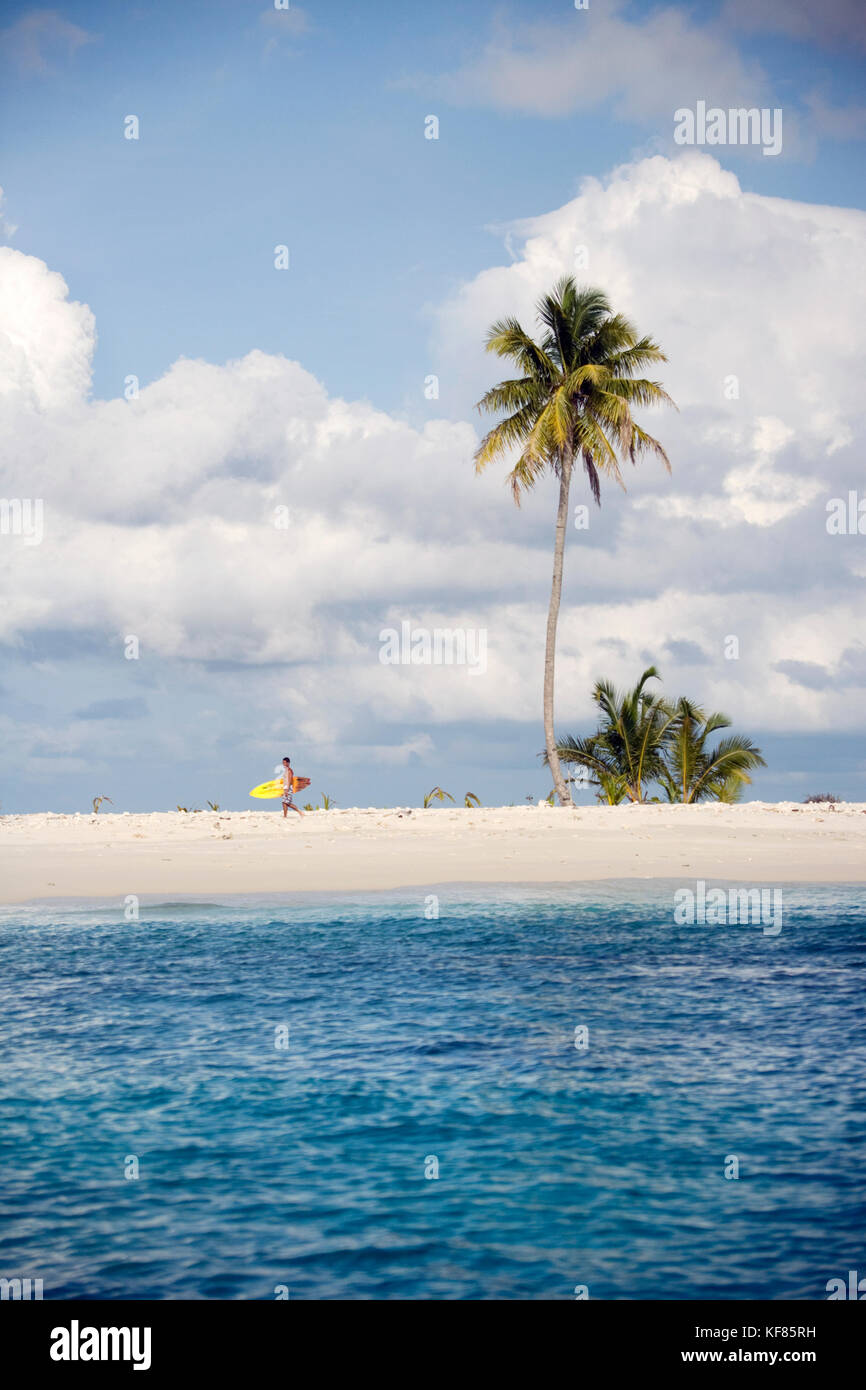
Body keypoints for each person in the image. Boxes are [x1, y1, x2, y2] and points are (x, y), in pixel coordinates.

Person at [278, 755, 304, 820]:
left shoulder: (289, 770)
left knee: (287, 803)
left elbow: (289, 780)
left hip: (288, 788)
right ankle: (285, 816)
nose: (283, 764)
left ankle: (300, 812)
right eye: (283, 762)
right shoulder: (286, 770)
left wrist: (287, 789)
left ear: (288, 763)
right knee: (284, 803)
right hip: (285, 788)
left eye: (284, 762)